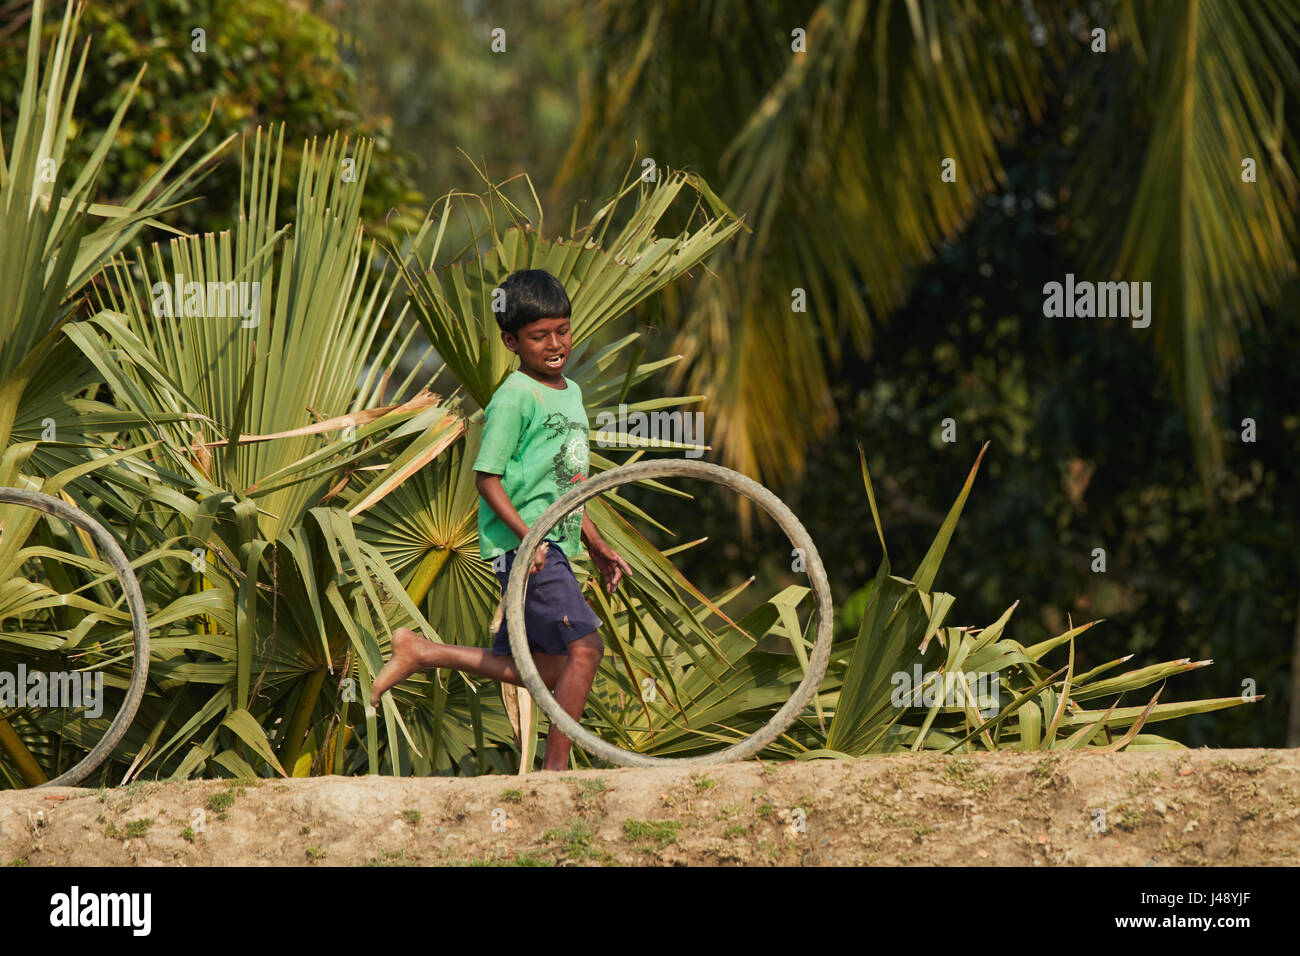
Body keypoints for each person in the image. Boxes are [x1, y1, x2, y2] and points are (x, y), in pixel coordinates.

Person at [369, 269, 632, 771]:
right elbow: (486, 477)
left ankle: (423, 652)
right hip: (528, 550)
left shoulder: (571, 393)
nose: (554, 344)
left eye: (563, 331)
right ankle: (554, 775)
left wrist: (595, 543)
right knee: (587, 650)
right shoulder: (515, 395)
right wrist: (528, 540)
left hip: (553, 543)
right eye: (539, 336)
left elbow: (570, 485)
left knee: (547, 666)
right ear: (512, 340)